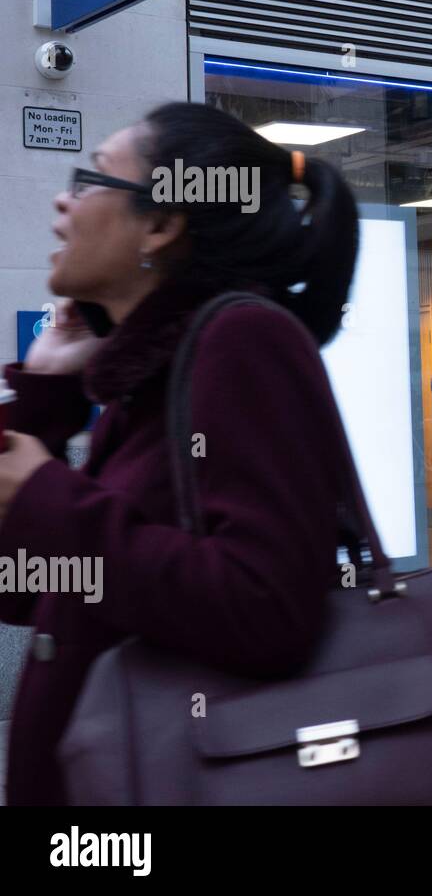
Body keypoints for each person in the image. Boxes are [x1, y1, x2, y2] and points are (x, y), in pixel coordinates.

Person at [0, 103, 362, 805]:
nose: (62, 199)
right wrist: (47, 397)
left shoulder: (245, 342)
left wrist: (53, 498)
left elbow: (268, 609)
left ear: (162, 224)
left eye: (90, 176)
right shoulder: (148, 380)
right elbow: (26, 588)